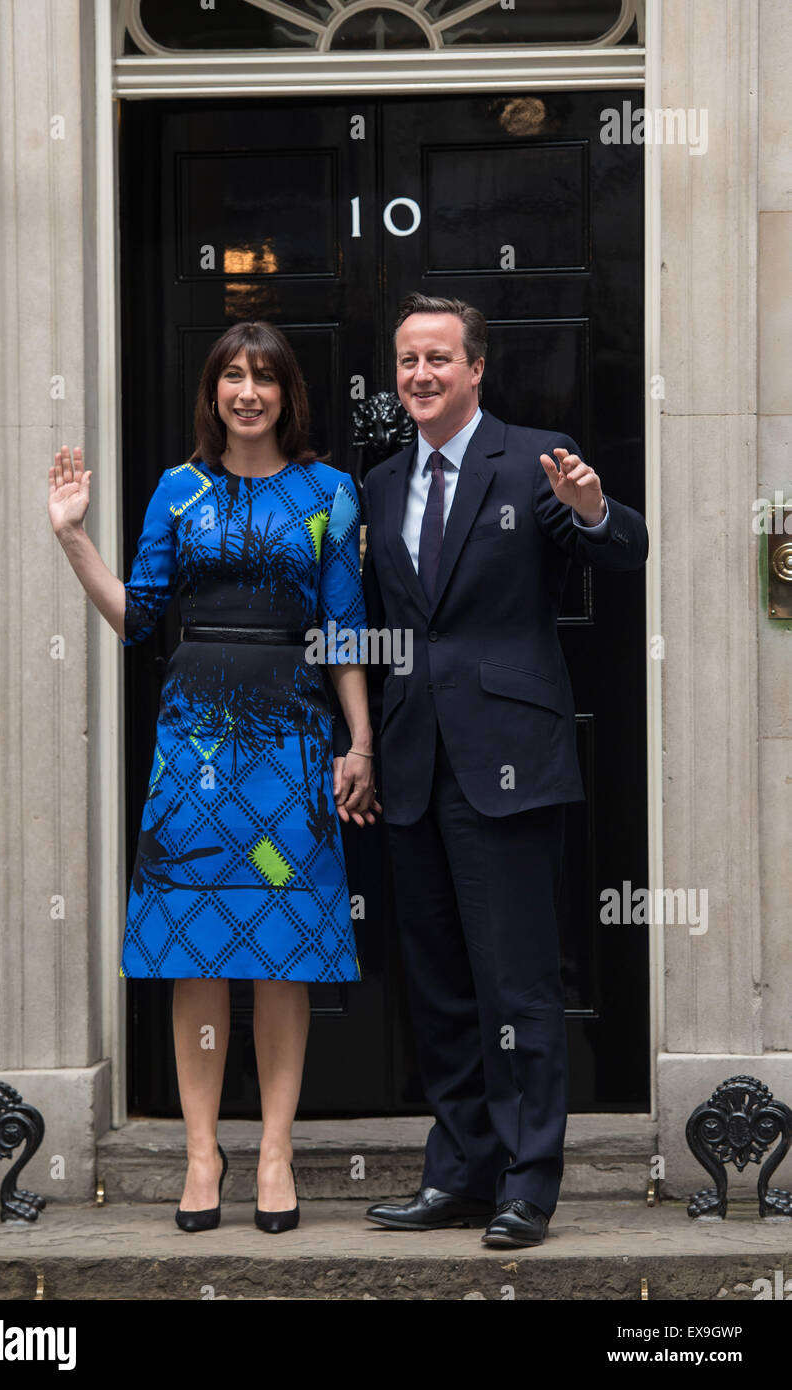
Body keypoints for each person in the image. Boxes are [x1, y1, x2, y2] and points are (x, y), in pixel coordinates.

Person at [48, 321, 377, 1234]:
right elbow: (135, 617)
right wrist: (74, 540)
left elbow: (345, 631)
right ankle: (203, 1152)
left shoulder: (329, 492)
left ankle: (274, 1151)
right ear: (213, 392)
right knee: (195, 948)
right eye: (231, 376)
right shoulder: (177, 491)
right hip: (193, 746)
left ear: (286, 395)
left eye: (263, 378)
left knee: (280, 952)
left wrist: (359, 745)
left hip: (291, 742)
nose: (246, 392)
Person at [361, 293, 649, 1248]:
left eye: (439, 358)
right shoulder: (381, 484)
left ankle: (528, 1182)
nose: (422, 375)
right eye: (408, 361)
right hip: (410, 760)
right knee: (437, 983)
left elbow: (624, 549)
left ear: (475, 369)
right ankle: (459, 1174)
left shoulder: (533, 459)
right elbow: (389, 628)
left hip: (508, 762)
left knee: (515, 984)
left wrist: (592, 508)